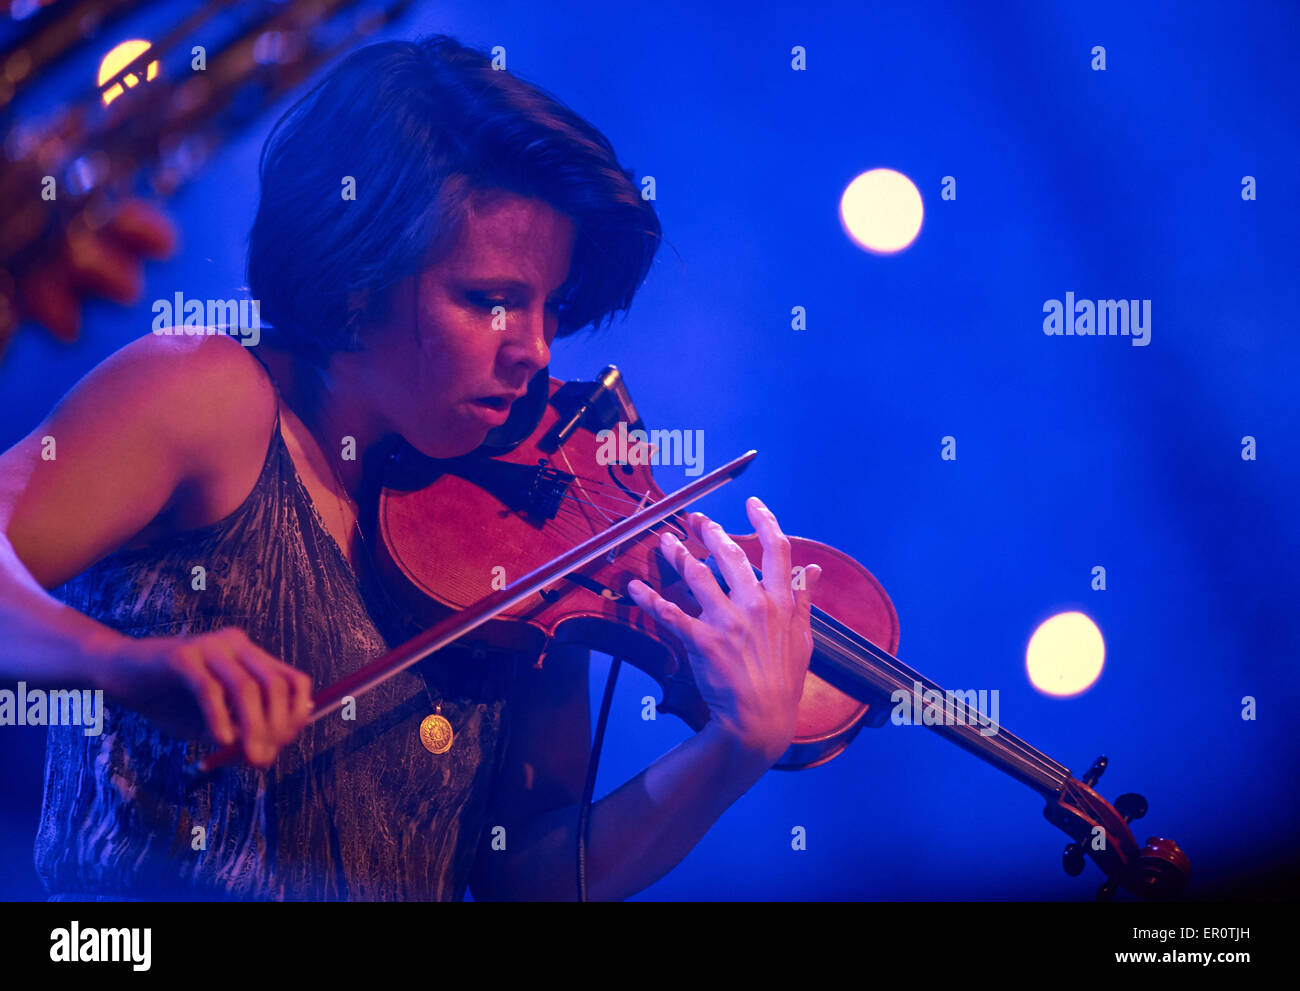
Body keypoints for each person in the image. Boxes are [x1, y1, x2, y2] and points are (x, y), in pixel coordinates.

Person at [0, 35, 822, 901]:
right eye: (489, 301)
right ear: (359, 275)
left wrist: (733, 749)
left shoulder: (530, 523)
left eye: (551, 307)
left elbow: (528, 878)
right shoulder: (205, 395)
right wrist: (118, 663)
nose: (536, 350)